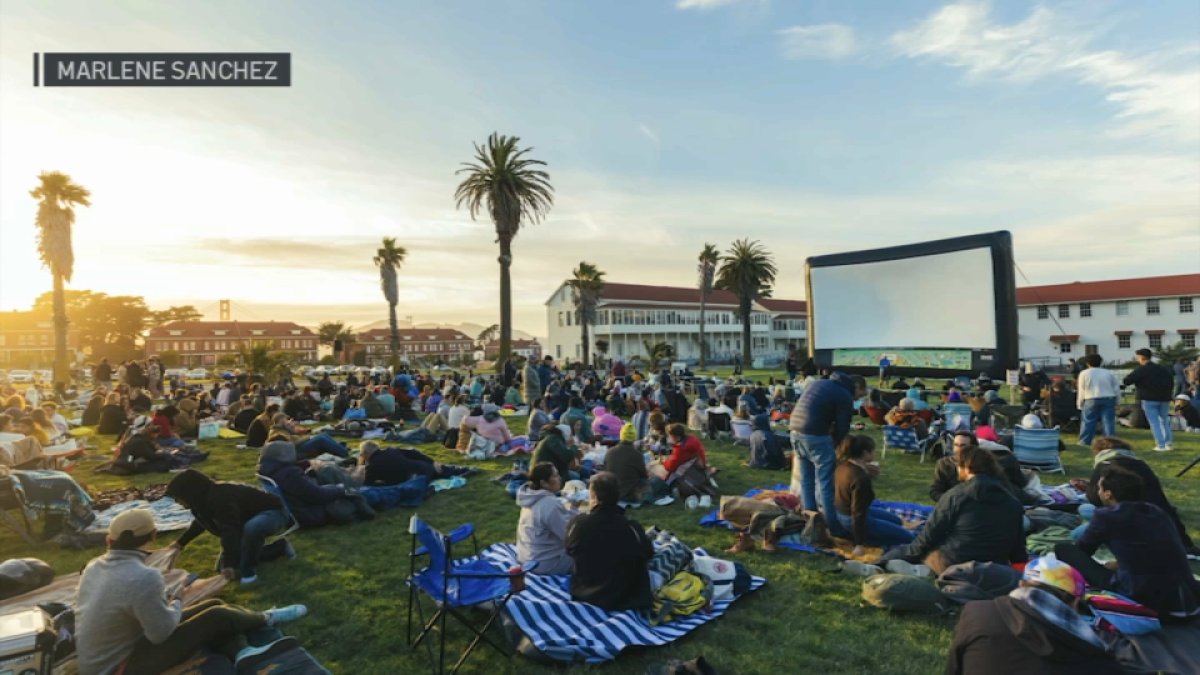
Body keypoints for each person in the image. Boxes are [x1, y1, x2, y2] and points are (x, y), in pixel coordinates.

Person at [75, 508, 309, 675]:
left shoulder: (94, 566)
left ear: (109, 540)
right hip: (120, 666)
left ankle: (243, 652)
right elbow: (160, 633)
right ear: (153, 535)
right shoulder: (143, 576)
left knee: (212, 605)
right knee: (216, 617)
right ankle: (266, 618)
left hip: (102, 657)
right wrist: (177, 599)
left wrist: (167, 604)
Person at [1056, 466, 1200, 620]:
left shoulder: (1107, 516)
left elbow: (1083, 550)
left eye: (1099, 488)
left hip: (1146, 599)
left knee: (1064, 550)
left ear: (1108, 494)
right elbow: (1153, 549)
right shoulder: (1156, 512)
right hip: (1187, 595)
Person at [945, 554, 1121, 675]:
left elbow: (954, 667)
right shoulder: (1097, 656)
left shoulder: (977, 612)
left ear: (1021, 584)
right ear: (1075, 602)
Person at [882, 442, 1026, 574]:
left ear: (966, 467)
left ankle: (918, 568)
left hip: (954, 561)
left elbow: (928, 537)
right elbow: (1018, 550)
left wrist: (898, 555)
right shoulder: (1012, 500)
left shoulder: (956, 495)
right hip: (994, 566)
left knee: (923, 549)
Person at [166, 469, 295, 585]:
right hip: (245, 519)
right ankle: (279, 548)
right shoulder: (199, 503)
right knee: (223, 568)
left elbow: (230, 529)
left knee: (252, 528)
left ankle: (248, 574)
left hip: (273, 512)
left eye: (178, 498)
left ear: (189, 493)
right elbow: (201, 523)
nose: (178, 502)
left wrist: (229, 564)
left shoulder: (221, 496)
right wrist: (180, 543)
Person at [565, 472, 654, 611]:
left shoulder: (578, 524)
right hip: (625, 598)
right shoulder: (631, 527)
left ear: (594, 497)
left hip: (585, 594)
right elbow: (648, 553)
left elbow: (569, 549)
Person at [788, 372, 866, 530]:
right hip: (815, 435)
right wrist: (837, 448)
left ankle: (810, 519)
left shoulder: (818, 383)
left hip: (794, 430)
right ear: (856, 386)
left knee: (806, 480)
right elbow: (842, 427)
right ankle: (833, 526)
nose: (857, 399)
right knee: (826, 483)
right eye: (859, 395)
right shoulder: (844, 394)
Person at [256, 440, 373, 527]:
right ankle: (361, 488)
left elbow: (304, 489)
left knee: (328, 471)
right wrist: (340, 488)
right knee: (363, 492)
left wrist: (310, 474)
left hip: (300, 507)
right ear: (283, 456)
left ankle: (355, 483)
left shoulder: (270, 469)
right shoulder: (288, 473)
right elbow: (317, 495)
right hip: (310, 513)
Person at [834, 435, 913, 555]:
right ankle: (868, 539)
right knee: (909, 537)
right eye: (873, 451)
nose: (875, 453)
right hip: (853, 519)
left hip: (843, 513)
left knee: (897, 520)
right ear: (866, 453)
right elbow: (858, 513)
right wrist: (859, 543)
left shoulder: (843, 466)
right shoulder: (860, 478)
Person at [930, 432, 1029, 504]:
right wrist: (952, 500)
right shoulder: (944, 464)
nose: (959, 449)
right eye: (956, 445)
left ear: (974, 448)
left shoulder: (984, 464)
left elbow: (1002, 488)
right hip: (955, 505)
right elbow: (935, 491)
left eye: (963, 446)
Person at [515, 463, 576, 575]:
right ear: (543, 483)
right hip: (544, 565)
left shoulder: (529, 496)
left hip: (525, 557)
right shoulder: (549, 504)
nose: (559, 478)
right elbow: (569, 536)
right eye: (555, 476)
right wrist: (575, 510)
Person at [1122, 348, 1175, 452]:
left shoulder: (1141, 369)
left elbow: (1127, 380)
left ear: (1141, 357)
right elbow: (1171, 381)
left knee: (1154, 422)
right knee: (1164, 421)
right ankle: (1169, 443)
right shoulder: (1163, 368)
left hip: (1148, 398)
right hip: (1164, 398)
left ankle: (1160, 445)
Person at [358, 440, 471, 485]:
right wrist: (432, 462)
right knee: (441, 470)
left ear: (365, 455)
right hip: (423, 468)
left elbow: (367, 484)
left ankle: (457, 471)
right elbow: (414, 453)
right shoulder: (391, 450)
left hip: (412, 480)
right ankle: (463, 470)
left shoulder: (371, 466)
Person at [1075, 353, 1120, 447]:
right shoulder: (1108, 373)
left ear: (1087, 363)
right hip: (1108, 397)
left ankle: (1085, 441)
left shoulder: (1084, 373)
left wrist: (1079, 403)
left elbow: (1081, 389)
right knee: (1108, 421)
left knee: (1088, 421)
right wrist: (1117, 401)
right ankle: (1110, 442)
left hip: (1091, 398)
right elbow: (1116, 388)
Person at [607, 423, 654, 503]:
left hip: (612, 492)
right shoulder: (636, 454)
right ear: (634, 438)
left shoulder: (610, 452)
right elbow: (644, 475)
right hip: (630, 494)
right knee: (656, 481)